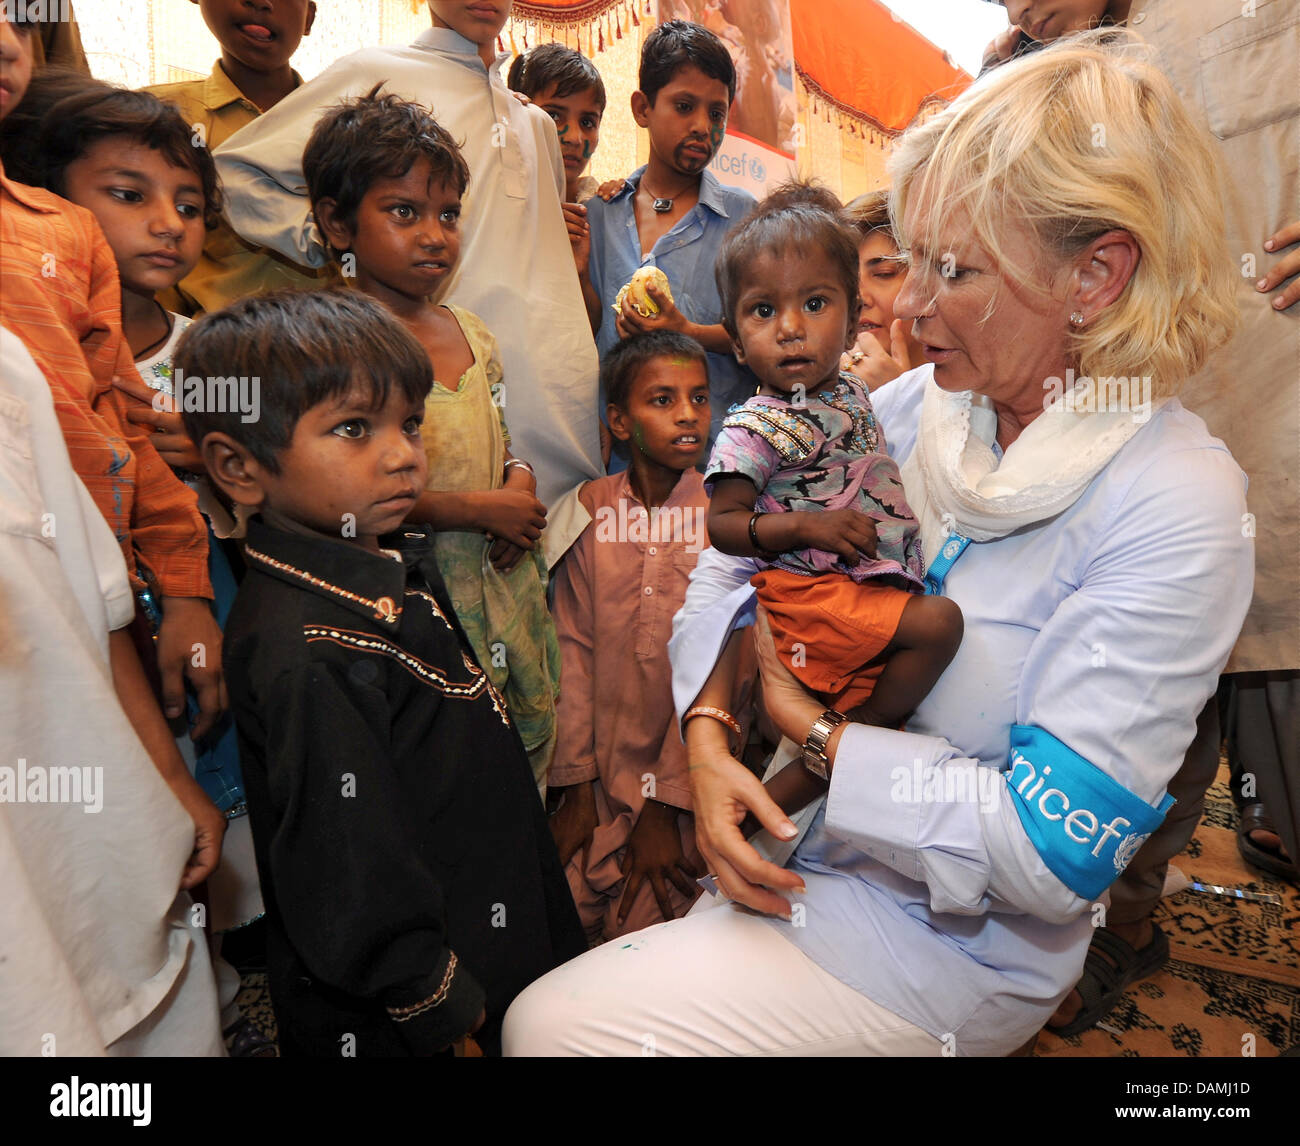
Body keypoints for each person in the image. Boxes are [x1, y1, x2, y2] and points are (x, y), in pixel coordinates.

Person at [502, 33, 1253, 1057]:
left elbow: (1045, 856)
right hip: (800, 852)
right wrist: (715, 738)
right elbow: (723, 568)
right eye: (906, 261)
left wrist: (809, 736)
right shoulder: (906, 411)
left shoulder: (1176, 503)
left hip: (950, 947)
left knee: (552, 1033)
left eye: (953, 270)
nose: (902, 307)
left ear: (1096, 276)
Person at [985, 0, 1300, 1035]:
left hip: (1275, 406)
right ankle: (1105, 920)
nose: (1021, 10)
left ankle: (1128, 911)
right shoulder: (1035, 75)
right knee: (1140, 681)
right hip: (1122, 424)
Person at [178, 287, 585, 1057]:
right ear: (238, 467)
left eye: (409, 424)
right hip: (413, 1010)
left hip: (480, 916)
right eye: (353, 429)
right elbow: (347, 864)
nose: (403, 453)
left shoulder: (375, 566)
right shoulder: (310, 651)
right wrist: (436, 1008)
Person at [212, 0, 602, 559]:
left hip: (554, 422)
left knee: (546, 620)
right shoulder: (376, 72)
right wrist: (342, 244)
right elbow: (232, 174)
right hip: (442, 408)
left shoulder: (534, 123)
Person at [304, 88, 560, 794]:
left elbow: (501, 437)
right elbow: (338, 502)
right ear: (337, 222)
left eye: (448, 214)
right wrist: (478, 510)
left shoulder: (472, 332)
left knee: (512, 781)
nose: (434, 235)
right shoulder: (332, 344)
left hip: (502, 598)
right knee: (441, 789)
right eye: (404, 212)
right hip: (413, 611)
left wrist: (520, 483)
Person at [0, 13, 227, 778]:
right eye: (130, 195)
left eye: (190, 207)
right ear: (51, 195)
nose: (168, 225)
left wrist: (220, 462)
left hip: (187, 594)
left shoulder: (214, 350)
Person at [706, 184, 962, 751]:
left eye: (815, 304)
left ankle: (805, 774)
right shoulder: (754, 427)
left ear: (851, 325)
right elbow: (722, 524)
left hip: (862, 586)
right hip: (812, 596)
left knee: (816, 759)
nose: (790, 327)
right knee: (939, 625)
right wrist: (805, 527)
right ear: (737, 343)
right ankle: (857, 739)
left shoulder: (851, 390)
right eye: (764, 310)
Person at [549, 330, 743, 943]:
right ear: (619, 421)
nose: (688, 414)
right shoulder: (590, 508)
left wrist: (666, 805)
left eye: (699, 398)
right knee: (560, 914)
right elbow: (572, 651)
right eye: (662, 400)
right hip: (598, 778)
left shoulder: (727, 520)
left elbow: (722, 667)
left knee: (648, 936)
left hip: (685, 791)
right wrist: (574, 784)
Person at [585, 19, 758, 468]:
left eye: (716, 112)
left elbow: (764, 333)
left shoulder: (746, 219)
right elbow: (577, 335)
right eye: (684, 106)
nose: (703, 126)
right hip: (610, 474)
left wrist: (687, 333)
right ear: (643, 108)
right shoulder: (598, 216)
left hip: (713, 483)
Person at [146, 0, 321, 316]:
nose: (261, 2)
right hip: (209, 348)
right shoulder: (156, 115)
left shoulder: (341, 121)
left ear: (308, 17)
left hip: (338, 345)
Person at [506, 42, 606, 308]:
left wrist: (580, 274)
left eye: (587, 122)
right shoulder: (496, 201)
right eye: (553, 115)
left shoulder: (604, 211)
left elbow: (598, 330)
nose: (574, 137)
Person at [840, 190, 923, 392]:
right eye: (844, 278)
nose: (859, 298)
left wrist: (897, 399)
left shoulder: (972, 393)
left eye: (883, 274)